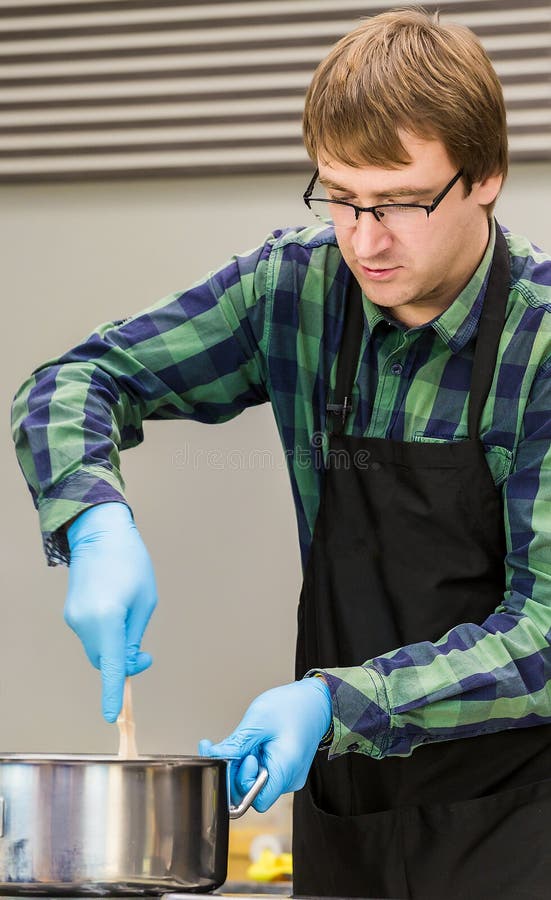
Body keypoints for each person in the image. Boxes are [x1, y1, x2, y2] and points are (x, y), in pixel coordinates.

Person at [11, 7, 551, 899]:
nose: (364, 240)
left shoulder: (539, 346)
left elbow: (543, 638)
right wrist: (93, 517)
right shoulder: (294, 288)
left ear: (485, 175)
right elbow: (78, 380)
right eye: (339, 197)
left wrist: (331, 702)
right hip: (343, 813)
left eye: (400, 202)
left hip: (516, 826)